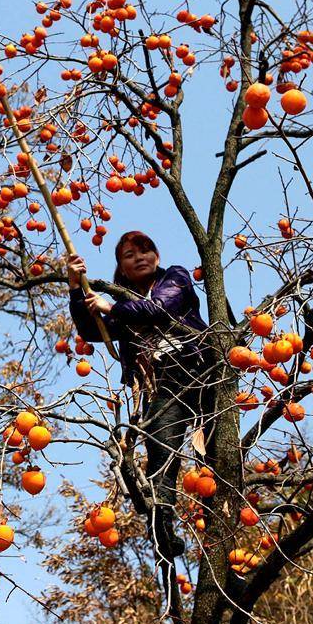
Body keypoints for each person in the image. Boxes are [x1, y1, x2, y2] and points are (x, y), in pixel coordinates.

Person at [66, 230, 212, 560]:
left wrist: (113, 306)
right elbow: (92, 330)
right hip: (158, 381)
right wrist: (76, 288)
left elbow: (160, 308)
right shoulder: (125, 306)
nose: (140, 257)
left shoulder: (176, 277)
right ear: (121, 269)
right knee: (162, 455)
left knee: (214, 456)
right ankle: (163, 528)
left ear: (157, 257)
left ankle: (216, 519)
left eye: (146, 250)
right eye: (130, 255)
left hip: (196, 368)